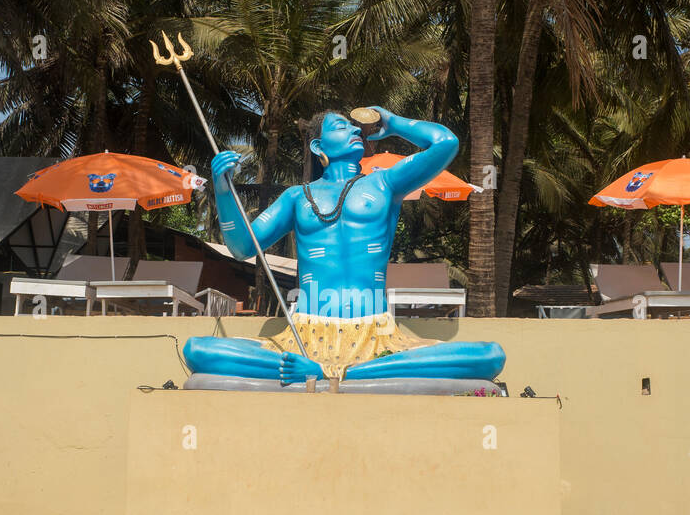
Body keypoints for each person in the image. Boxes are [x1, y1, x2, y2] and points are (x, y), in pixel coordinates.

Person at [183, 106, 505, 383]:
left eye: (354, 126)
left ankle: (331, 374)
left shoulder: (385, 182)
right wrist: (223, 191)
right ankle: (345, 372)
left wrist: (393, 123)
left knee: (490, 355)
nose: (354, 129)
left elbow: (445, 143)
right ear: (318, 145)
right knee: (198, 351)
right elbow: (241, 246)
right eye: (341, 125)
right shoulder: (297, 197)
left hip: (375, 334)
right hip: (305, 335)